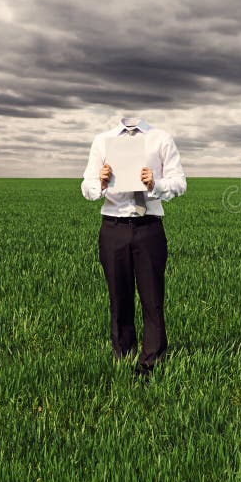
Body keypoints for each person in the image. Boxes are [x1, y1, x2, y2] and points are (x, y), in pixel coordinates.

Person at [81, 117, 186, 377]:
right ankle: (123, 357)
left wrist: (155, 184)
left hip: (148, 226)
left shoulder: (160, 138)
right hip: (113, 227)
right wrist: (101, 182)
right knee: (119, 297)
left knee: (153, 299)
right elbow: (86, 187)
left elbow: (180, 183)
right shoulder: (102, 141)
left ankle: (152, 363)